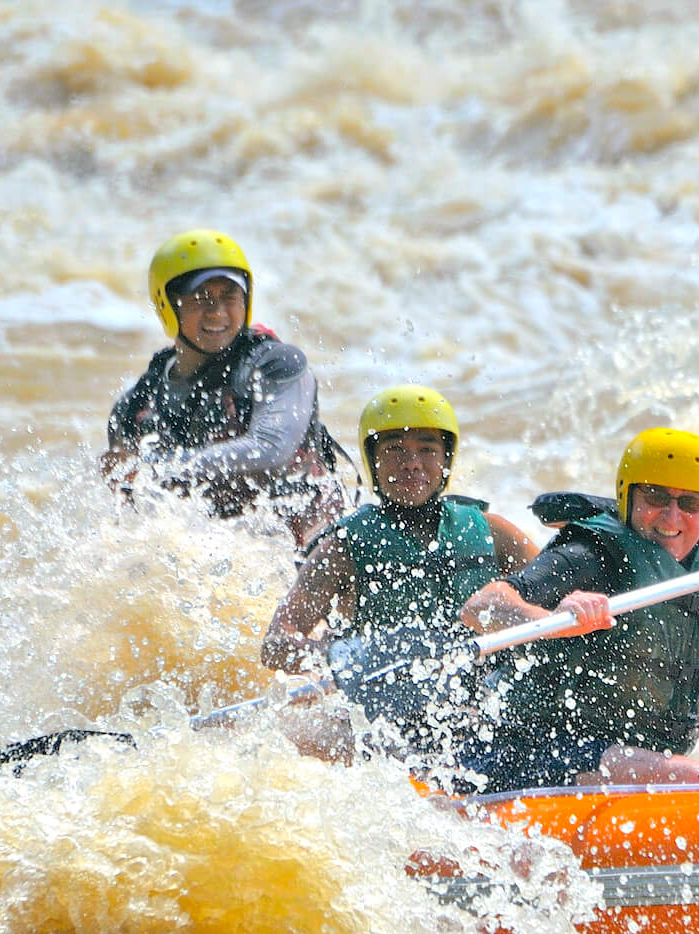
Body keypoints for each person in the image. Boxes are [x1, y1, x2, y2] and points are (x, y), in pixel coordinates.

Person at [458, 427, 699, 788]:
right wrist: (552, 621)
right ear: (627, 496)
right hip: (531, 751)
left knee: (684, 773)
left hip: (634, 765)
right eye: (655, 497)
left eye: (690, 503)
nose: (671, 517)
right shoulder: (591, 554)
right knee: (689, 776)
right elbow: (480, 607)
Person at [260, 384, 537, 765]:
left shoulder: (491, 532)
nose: (412, 463)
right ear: (373, 461)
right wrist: (339, 657)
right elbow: (276, 644)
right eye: (394, 450)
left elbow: (555, 593)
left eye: (427, 449)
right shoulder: (343, 546)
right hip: (385, 720)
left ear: (446, 460)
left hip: (478, 711)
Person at [103, 229, 347, 544]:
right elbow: (126, 500)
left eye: (230, 296)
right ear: (168, 306)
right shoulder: (138, 403)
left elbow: (270, 448)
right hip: (212, 551)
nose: (217, 312)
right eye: (201, 298)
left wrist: (153, 467)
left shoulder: (277, 365)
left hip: (308, 547)